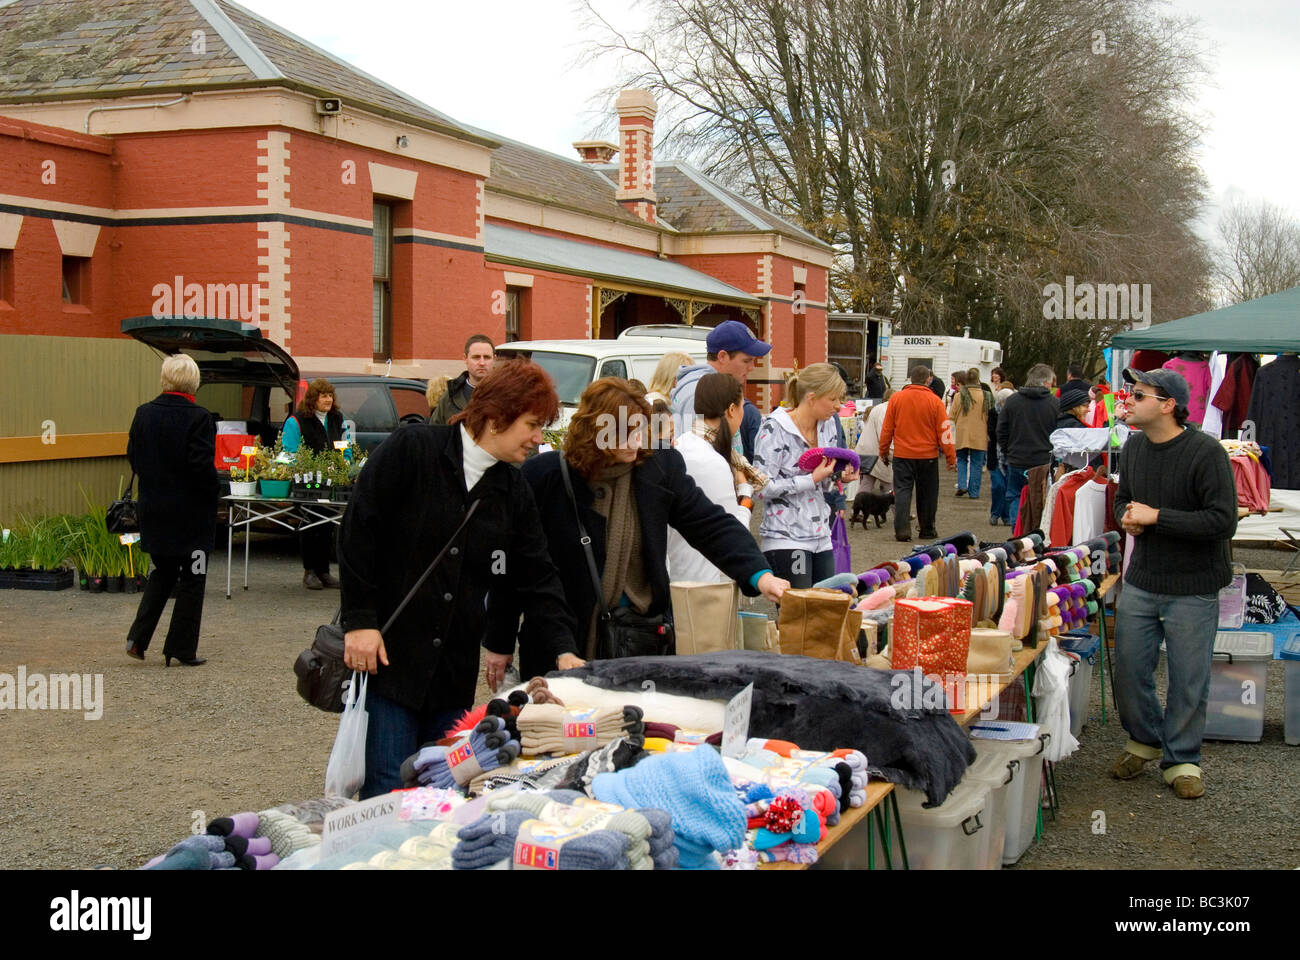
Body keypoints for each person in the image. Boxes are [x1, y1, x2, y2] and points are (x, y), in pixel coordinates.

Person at [339, 359, 586, 799]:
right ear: (495, 417)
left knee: (443, 792)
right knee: (388, 790)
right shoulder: (413, 448)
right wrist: (359, 621)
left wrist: (564, 648)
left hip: (452, 676)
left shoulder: (513, 489)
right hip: (390, 664)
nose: (538, 438)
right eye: (532, 424)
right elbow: (358, 531)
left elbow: (538, 575)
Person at [520, 377, 788, 667]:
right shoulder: (545, 476)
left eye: (641, 431)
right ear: (595, 430)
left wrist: (761, 575)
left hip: (641, 639)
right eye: (625, 432)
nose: (637, 441)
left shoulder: (658, 467)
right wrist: (499, 642)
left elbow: (709, 524)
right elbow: (523, 567)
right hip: (561, 639)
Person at [1111, 367, 1237, 800]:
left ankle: (1182, 759)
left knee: (1188, 678)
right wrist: (1127, 517)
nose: (1127, 400)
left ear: (1168, 405)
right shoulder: (1133, 448)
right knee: (1128, 668)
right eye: (1129, 392)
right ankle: (1143, 740)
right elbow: (1123, 500)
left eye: (1138, 394)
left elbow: (1223, 521)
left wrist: (1158, 517)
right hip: (1143, 580)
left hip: (1193, 586)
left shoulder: (1206, 452)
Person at [124, 354, 218, 668]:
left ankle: (137, 639)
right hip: (192, 516)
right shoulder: (200, 417)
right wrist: (216, 492)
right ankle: (180, 647)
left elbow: (134, 459)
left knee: (162, 573)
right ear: (194, 381)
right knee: (194, 576)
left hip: (153, 511)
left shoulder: (143, 414)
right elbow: (200, 468)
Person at [753, 363, 860, 585]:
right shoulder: (774, 429)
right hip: (786, 539)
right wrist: (811, 479)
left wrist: (838, 477)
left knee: (826, 607)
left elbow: (823, 482)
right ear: (812, 397)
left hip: (821, 535)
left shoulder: (829, 424)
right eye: (833, 399)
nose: (838, 406)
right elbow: (761, 487)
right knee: (799, 612)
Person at [667, 373, 752, 583]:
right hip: (705, 581)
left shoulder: (682, 444)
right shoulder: (712, 462)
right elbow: (732, 535)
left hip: (677, 572)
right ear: (732, 410)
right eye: (742, 407)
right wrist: (746, 495)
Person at [280, 378, 346, 589]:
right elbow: (290, 452)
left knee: (327, 524)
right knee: (310, 524)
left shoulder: (337, 418)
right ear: (313, 399)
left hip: (331, 481)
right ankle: (309, 571)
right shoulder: (296, 421)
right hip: (307, 483)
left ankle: (324, 571)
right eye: (323, 395)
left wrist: (347, 465)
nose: (328, 399)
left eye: (330, 395)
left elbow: (345, 445)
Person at [671, 320, 769, 461]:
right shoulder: (698, 392)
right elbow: (693, 458)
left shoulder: (713, 389)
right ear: (722, 356)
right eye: (746, 361)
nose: (752, 367)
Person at [878, 365, 956, 542]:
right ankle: (927, 529)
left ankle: (902, 530)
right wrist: (950, 456)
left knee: (902, 491)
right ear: (928, 379)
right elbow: (944, 431)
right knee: (927, 494)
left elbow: (887, 429)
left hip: (903, 454)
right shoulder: (935, 401)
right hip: (927, 456)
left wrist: (883, 450)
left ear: (910, 379)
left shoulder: (896, 399)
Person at [995, 363, 1059, 530]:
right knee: (1041, 499)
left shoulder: (1012, 402)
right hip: (1043, 461)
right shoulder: (1055, 404)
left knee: (1015, 496)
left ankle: (1018, 531)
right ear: (1046, 382)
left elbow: (1001, 430)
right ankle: (1037, 533)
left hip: (1017, 459)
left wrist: (1008, 450)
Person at [429, 334, 495, 425]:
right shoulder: (449, 398)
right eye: (476, 357)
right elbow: (435, 432)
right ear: (465, 359)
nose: (482, 363)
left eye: (487, 357)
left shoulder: (506, 396)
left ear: (494, 359)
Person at [948, 368, 992, 500]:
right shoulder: (986, 395)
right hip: (980, 433)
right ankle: (974, 492)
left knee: (961, 460)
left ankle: (962, 484)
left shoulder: (959, 395)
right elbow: (989, 416)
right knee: (976, 463)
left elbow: (952, 415)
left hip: (962, 433)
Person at [854, 389, 894, 493]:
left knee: (866, 483)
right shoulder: (885, 410)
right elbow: (884, 434)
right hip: (876, 454)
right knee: (890, 487)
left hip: (866, 451)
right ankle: (898, 509)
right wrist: (891, 453)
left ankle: (859, 509)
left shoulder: (879, 408)